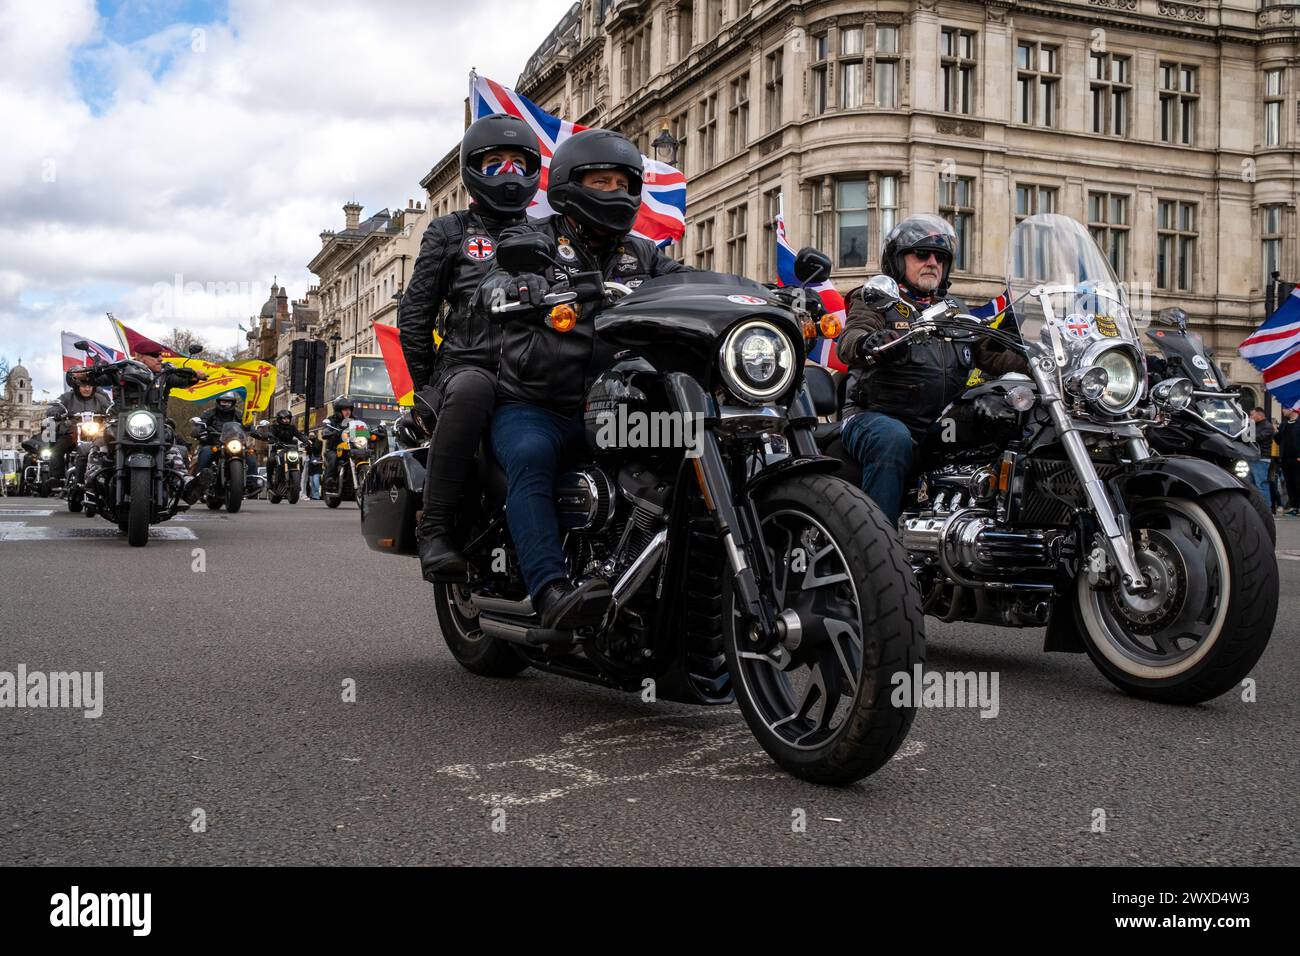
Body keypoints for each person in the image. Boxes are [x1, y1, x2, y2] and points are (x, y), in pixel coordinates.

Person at [478, 128, 691, 630]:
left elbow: (689, 280)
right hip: (539, 403)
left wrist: (754, 293)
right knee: (531, 456)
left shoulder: (642, 253)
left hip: (620, 400)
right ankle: (551, 591)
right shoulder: (535, 239)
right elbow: (494, 279)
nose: (615, 192)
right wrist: (518, 286)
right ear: (571, 186)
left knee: (690, 445)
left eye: (623, 183)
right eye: (601, 180)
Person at [398, 113, 543, 581]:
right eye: (496, 163)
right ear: (474, 169)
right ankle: (434, 530)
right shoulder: (450, 231)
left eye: (519, 164)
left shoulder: (551, 233)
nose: (509, 174)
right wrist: (424, 388)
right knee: (473, 390)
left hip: (539, 366)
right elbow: (416, 314)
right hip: (468, 363)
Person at [837, 215, 1026, 524]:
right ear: (898, 260)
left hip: (939, 424)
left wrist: (1036, 356)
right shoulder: (877, 299)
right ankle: (875, 547)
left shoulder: (955, 312)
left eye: (940, 257)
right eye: (921, 254)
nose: (932, 262)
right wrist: (873, 343)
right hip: (875, 416)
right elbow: (849, 341)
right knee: (891, 438)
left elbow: (992, 357)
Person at [77, 346, 208, 504]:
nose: (160, 358)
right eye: (154, 355)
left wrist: (194, 376)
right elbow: (96, 378)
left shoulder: (165, 373)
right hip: (120, 422)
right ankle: (93, 484)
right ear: (139, 356)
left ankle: (185, 485)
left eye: (160, 355)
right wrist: (85, 375)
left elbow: (181, 380)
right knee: (99, 441)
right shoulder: (120, 370)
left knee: (171, 445)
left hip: (156, 424)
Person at [45, 374, 112, 486]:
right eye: (84, 386)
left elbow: (111, 408)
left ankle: (107, 477)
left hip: (96, 434)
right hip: (73, 433)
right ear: (77, 387)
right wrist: (55, 412)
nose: (87, 389)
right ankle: (57, 478)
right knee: (56, 449)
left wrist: (112, 414)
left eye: (90, 386)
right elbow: (55, 406)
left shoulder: (100, 398)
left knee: (109, 449)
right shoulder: (67, 397)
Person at [193, 391, 255, 478]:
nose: (225, 404)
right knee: (206, 451)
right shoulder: (210, 413)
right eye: (223, 401)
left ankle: (253, 481)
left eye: (228, 402)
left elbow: (247, 423)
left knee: (250, 454)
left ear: (233, 402)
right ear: (218, 402)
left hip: (235, 443)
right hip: (214, 443)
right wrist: (199, 429)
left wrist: (252, 429)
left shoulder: (239, 414)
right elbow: (202, 422)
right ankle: (199, 478)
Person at [254, 409, 309, 489]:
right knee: (271, 460)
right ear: (280, 419)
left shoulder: (292, 428)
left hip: (290, 450)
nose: (286, 420)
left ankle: (296, 481)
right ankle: (269, 481)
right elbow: (270, 434)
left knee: (299, 460)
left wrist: (305, 441)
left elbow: (299, 435)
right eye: (284, 418)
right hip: (277, 449)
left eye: (288, 418)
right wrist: (271, 438)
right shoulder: (274, 427)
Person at [320, 397, 358, 491]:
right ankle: (330, 480)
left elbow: (362, 429)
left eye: (349, 409)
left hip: (352, 448)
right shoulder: (331, 420)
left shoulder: (355, 420)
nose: (347, 412)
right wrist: (328, 432)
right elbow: (326, 429)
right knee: (333, 458)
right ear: (338, 411)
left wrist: (372, 432)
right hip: (335, 449)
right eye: (345, 409)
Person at [1248, 407, 1276, 512]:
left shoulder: (1267, 426)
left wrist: (1249, 428)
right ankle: (1256, 507)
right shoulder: (1257, 425)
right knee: (1250, 484)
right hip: (1253, 457)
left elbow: (1256, 438)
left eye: (1252, 415)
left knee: (1261, 484)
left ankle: (1266, 509)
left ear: (1260, 415)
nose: (1251, 417)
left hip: (1261, 458)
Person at [1279, 407, 1300, 516]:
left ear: (1292, 409)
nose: (1283, 410)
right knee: (1289, 483)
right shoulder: (1284, 424)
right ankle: (1294, 506)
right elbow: (1278, 440)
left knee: (1298, 482)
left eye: (1285, 408)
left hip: (1297, 458)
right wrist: (1276, 431)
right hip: (1285, 459)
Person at [306, 433, 323, 499]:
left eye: (312, 435)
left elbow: (317, 450)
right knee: (311, 480)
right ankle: (313, 495)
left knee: (316, 479)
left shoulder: (319, 442)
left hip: (317, 462)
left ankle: (316, 495)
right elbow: (307, 451)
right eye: (310, 435)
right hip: (310, 462)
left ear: (315, 436)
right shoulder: (308, 442)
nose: (311, 437)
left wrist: (311, 444)